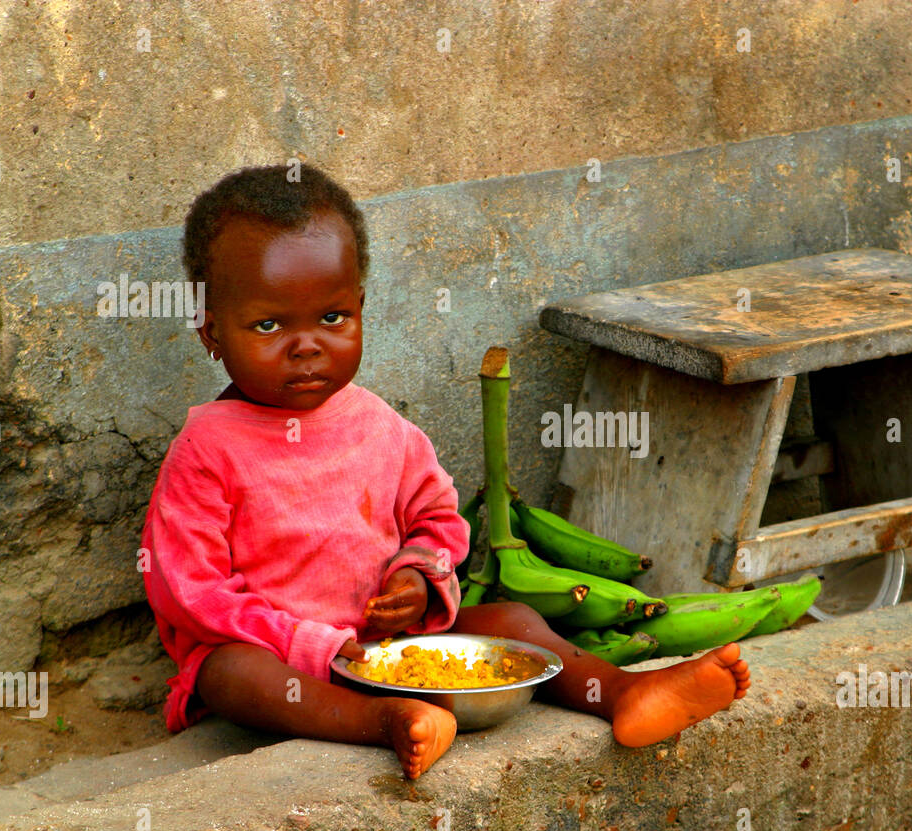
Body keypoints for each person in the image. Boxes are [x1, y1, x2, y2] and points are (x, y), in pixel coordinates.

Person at [141, 163, 750, 780]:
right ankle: (385, 724)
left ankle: (624, 693)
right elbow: (191, 594)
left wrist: (418, 581)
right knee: (228, 674)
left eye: (332, 318)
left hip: (389, 650)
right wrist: (310, 644)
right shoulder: (208, 450)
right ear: (211, 331)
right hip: (287, 662)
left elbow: (438, 522)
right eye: (269, 325)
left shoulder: (381, 426)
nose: (307, 345)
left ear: (360, 306)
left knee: (512, 622)